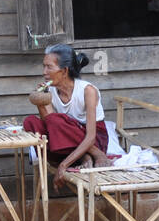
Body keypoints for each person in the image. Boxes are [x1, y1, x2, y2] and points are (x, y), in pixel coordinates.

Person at [23, 44, 110, 187]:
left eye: (49, 67)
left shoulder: (88, 91)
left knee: (57, 121)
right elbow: (49, 123)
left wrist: (63, 165)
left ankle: (94, 154)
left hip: (93, 141)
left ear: (64, 71)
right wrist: (41, 100)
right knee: (30, 122)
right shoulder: (50, 90)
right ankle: (82, 157)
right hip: (68, 140)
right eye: (44, 66)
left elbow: (91, 136)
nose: (44, 72)